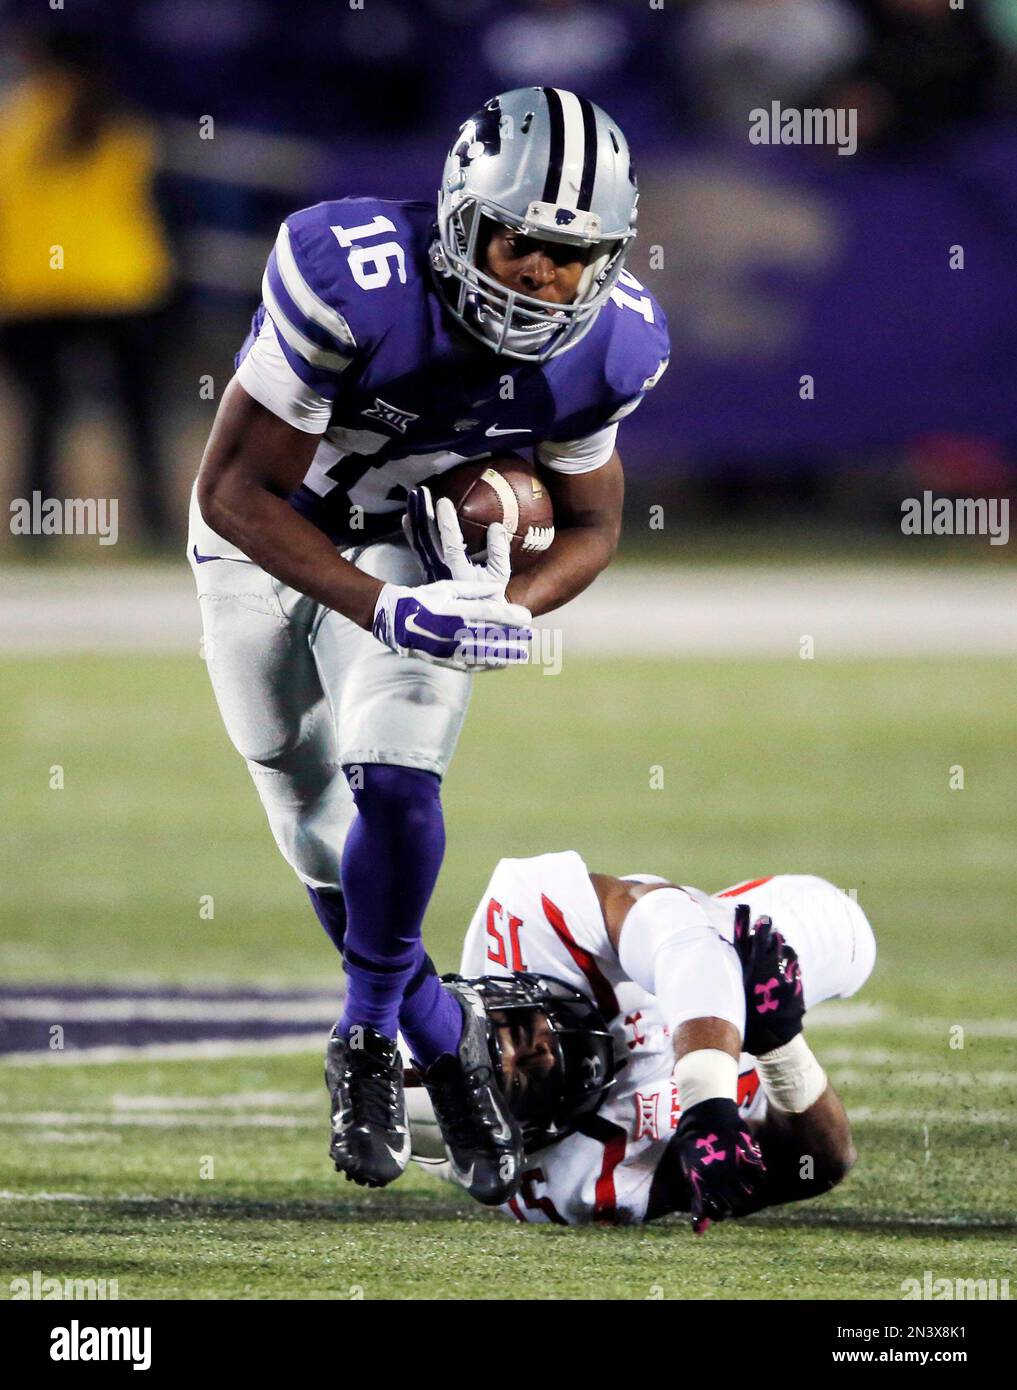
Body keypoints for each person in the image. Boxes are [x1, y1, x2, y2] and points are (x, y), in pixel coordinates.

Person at [190, 87, 670, 1203]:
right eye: (522, 244)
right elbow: (231, 491)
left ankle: (364, 1039)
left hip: (422, 548)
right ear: (462, 216)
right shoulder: (348, 272)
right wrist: (380, 609)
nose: (543, 278)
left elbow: (592, 522)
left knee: (397, 785)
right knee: (312, 824)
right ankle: (446, 1033)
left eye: (572, 255)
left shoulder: (616, 341)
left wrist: (511, 605)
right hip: (271, 544)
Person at [406, 855, 875, 1227]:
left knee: (845, 932)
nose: (541, 1049)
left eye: (514, 1031)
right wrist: (781, 1047)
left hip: (713, 954)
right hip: (750, 1081)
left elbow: (678, 929)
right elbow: (814, 1164)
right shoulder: (572, 1183)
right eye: (523, 1081)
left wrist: (705, 1099)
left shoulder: (522, 921)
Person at [0, 27, 174, 543]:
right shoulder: (125, 123)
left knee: (41, 421)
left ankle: (35, 533)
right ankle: (157, 528)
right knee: (140, 419)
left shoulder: (17, 123)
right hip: (124, 286)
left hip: (36, 293)